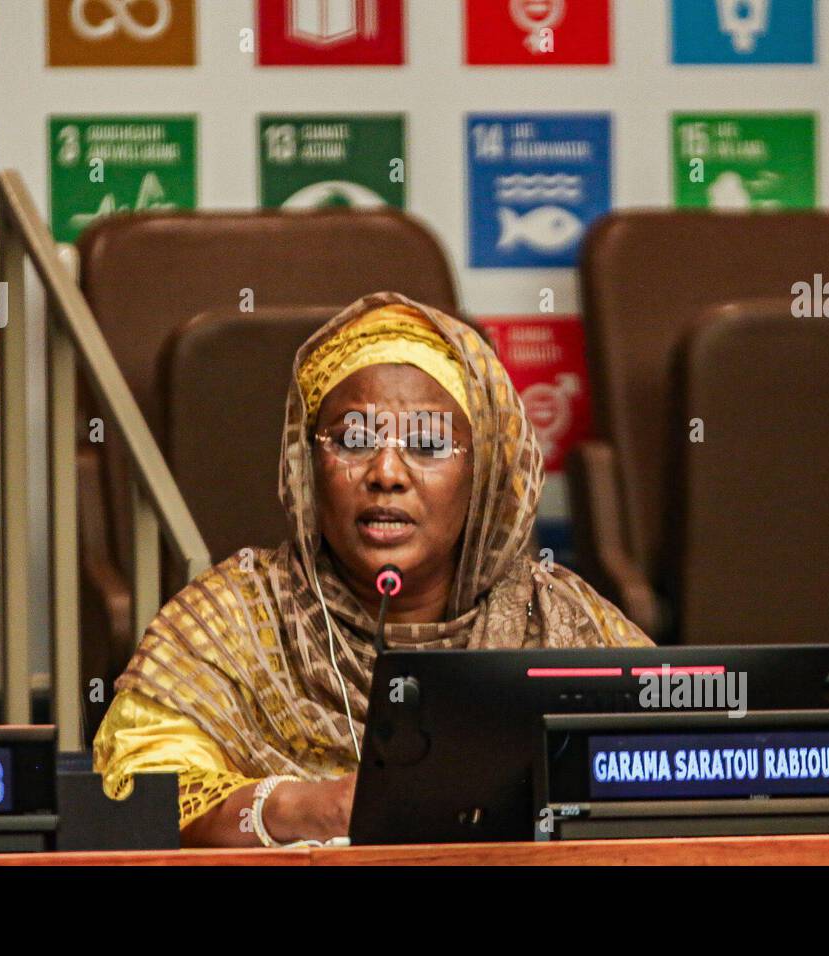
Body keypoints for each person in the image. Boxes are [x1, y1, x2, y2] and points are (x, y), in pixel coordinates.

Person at [93, 291, 652, 847]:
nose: (386, 471)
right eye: (353, 440)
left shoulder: (557, 619)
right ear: (307, 465)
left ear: (484, 474)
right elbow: (129, 795)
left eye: (429, 444)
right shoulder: (228, 619)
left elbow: (679, 761)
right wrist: (291, 809)